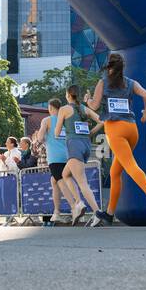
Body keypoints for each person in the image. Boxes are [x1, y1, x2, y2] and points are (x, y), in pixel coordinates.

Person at [86, 53, 146, 224]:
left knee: (130, 165)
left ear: (108, 67)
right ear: (122, 67)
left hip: (115, 129)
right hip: (132, 129)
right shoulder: (130, 82)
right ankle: (109, 213)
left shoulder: (103, 82)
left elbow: (94, 105)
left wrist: (87, 100)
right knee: (115, 172)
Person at [54, 85, 105, 226]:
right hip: (86, 145)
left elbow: (57, 133)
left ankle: (97, 212)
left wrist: (66, 130)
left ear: (68, 95)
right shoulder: (84, 108)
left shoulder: (64, 109)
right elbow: (102, 121)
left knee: (82, 183)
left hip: (74, 145)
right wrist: (90, 133)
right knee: (65, 174)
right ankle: (78, 202)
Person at [35, 98, 86, 226]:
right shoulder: (66, 119)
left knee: (61, 181)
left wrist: (43, 137)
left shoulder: (47, 120)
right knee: (55, 181)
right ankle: (56, 212)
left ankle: (75, 206)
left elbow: (40, 138)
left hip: (55, 157)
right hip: (68, 154)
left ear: (51, 108)